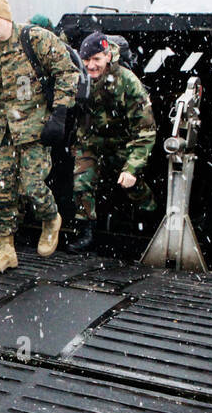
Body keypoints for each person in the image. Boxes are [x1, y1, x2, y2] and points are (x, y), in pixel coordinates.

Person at [0, 0, 76, 271]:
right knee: (0, 192)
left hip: (34, 129)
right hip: (0, 133)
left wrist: (59, 113)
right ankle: (5, 248)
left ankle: (51, 218)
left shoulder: (35, 40)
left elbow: (67, 72)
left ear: (7, 17)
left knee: (32, 186)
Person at [67, 31, 157, 252]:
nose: (91, 65)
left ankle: (150, 219)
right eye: (86, 60)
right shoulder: (76, 77)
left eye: (96, 59)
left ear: (108, 56)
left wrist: (132, 167)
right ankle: (85, 231)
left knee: (132, 185)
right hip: (90, 142)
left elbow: (145, 130)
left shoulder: (127, 82)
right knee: (82, 182)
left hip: (122, 143)